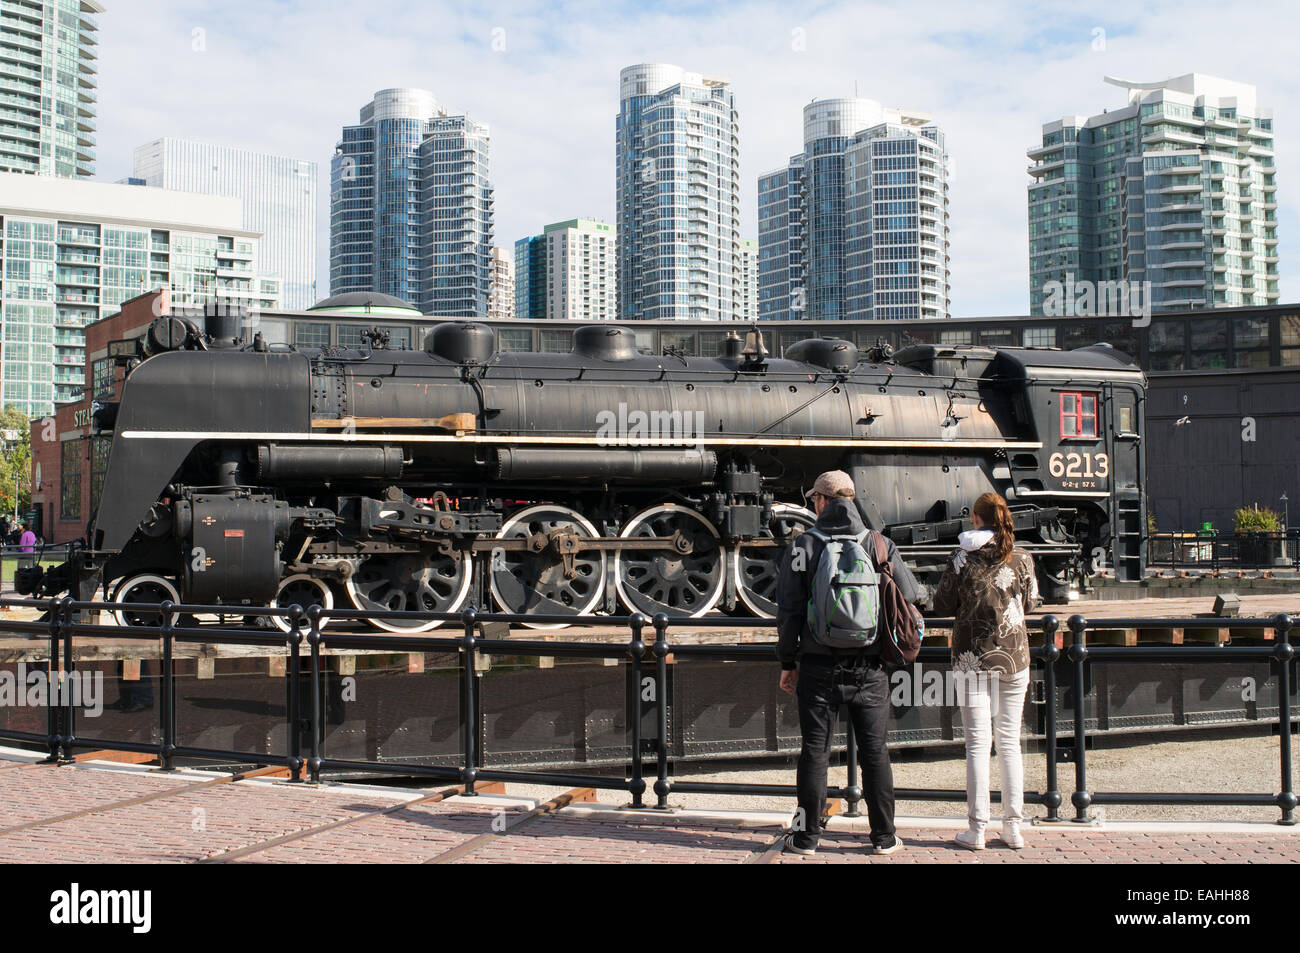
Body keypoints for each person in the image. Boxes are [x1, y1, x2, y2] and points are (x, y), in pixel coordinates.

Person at [775, 469, 920, 856]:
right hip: (871, 669)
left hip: (818, 668)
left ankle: (806, 838)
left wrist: (788, 662)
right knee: (876, 753)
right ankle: (884, 838)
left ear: (821, 501)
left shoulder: (803, 546)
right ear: (851, 500)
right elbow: (912, 595)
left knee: (815, 752)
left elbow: (788, 612)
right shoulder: (879, 544)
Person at [933, 491, 1040, 851]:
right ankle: (1013, 827)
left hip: (970, 659)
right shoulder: (1022, 557)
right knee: (1009, 743)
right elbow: (1031, 602)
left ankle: (976, 829)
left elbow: (942, 603)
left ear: (976, 519)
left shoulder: (961, 557)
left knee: (977, 745)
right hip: (1014, 657)